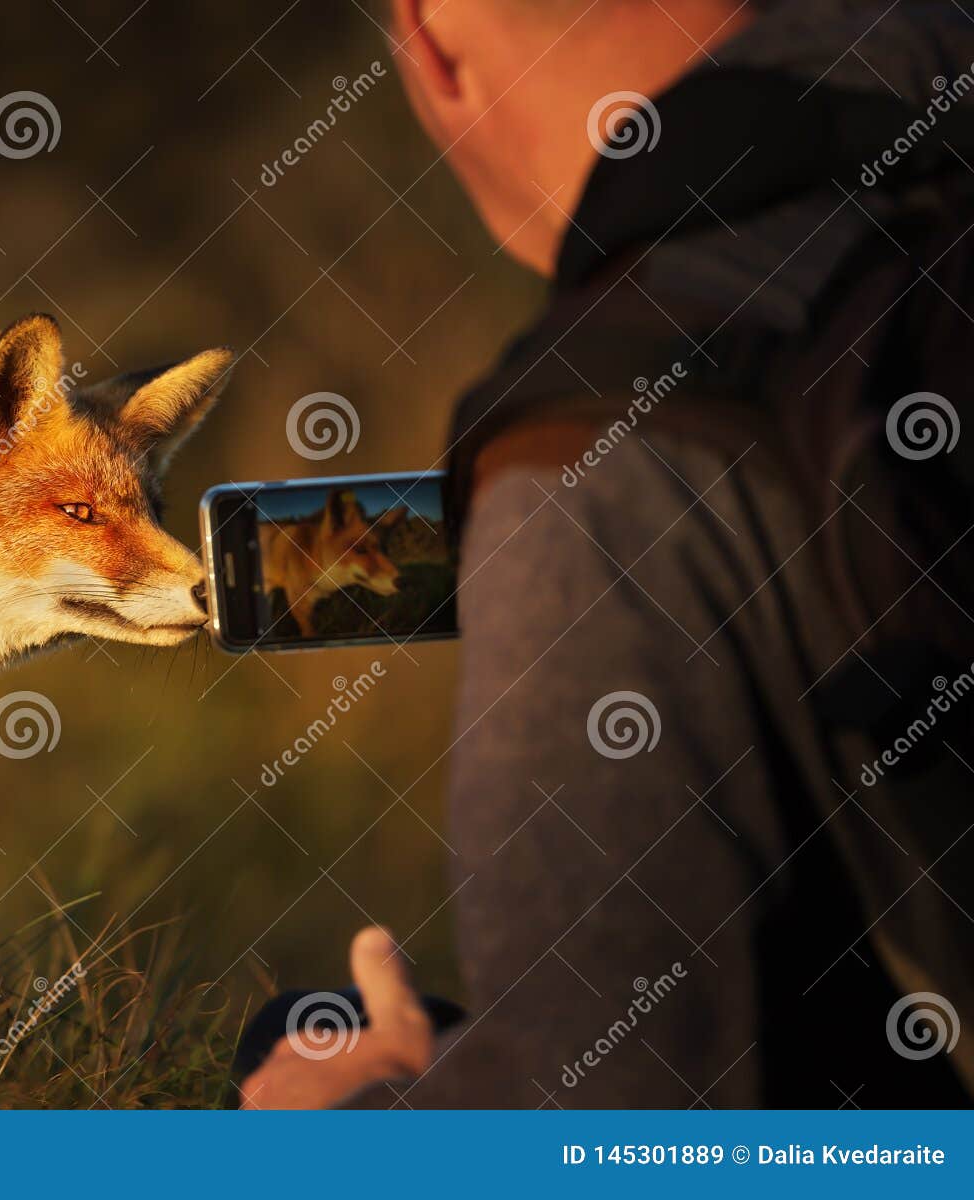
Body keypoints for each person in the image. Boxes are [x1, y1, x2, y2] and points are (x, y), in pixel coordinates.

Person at [240, 0, 974, 1109]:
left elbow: (610, 1132)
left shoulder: (598, 450)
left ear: (427, 38)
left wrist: (368, 1118)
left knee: (290, 1040)